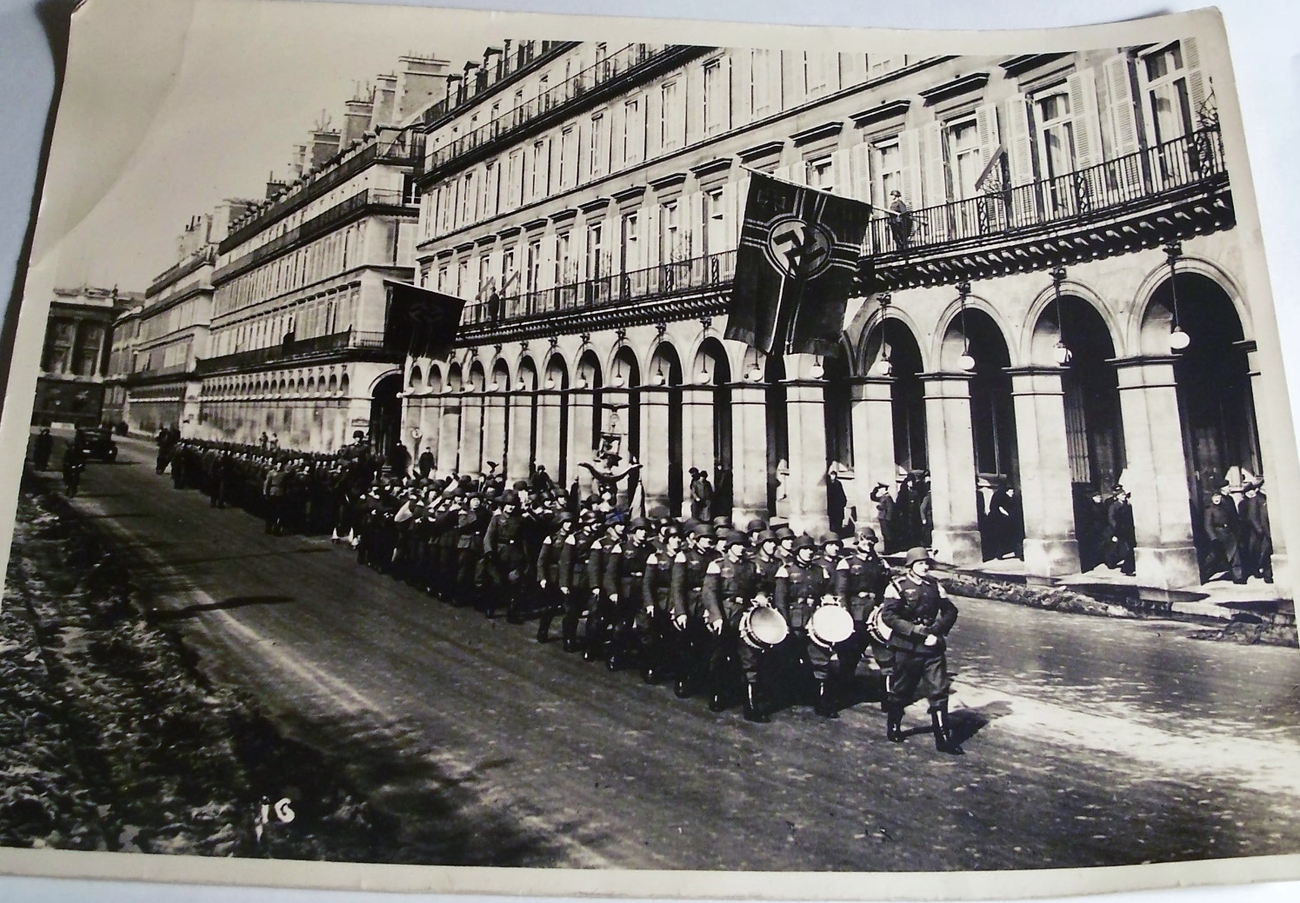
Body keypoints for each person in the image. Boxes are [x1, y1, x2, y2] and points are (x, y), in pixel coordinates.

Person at [880, 547, 962, 754]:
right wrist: (913, 630)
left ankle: (943, 738)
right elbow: (888, 616)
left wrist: (937, 630)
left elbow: (950, 610)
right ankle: (894, 726)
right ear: (910, 566)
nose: (925, 567)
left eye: (927, 564)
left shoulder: (935, 585)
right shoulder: (897, 586)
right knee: (901, 689)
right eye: (920, 563)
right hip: (906, 646)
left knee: (939, 689)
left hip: (931, 646)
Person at [1203, 487, 1243, 583]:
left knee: (1235, 555)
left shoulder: (1225, 506)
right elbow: (1208, 525)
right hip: (1218, 534)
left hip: (1229, 533)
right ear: (1212, 498)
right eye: (1215, 497)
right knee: (1214, 557)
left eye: (1218, 496)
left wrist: (1236, 532)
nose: (1217, 499)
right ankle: (1204, 574)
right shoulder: (1209, 509)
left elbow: (1232, 519)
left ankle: (1238, 577)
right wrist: (1213, 538)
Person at [1240, 478, 1273, 583]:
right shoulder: (1255, 500)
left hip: (1268, 530)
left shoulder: (1266, 498)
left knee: (1267, 551)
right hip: (1262, 531)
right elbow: (1252, 517)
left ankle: (1267, 573)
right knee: (1263, 552)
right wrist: (1260, 530)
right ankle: (1265, 574)